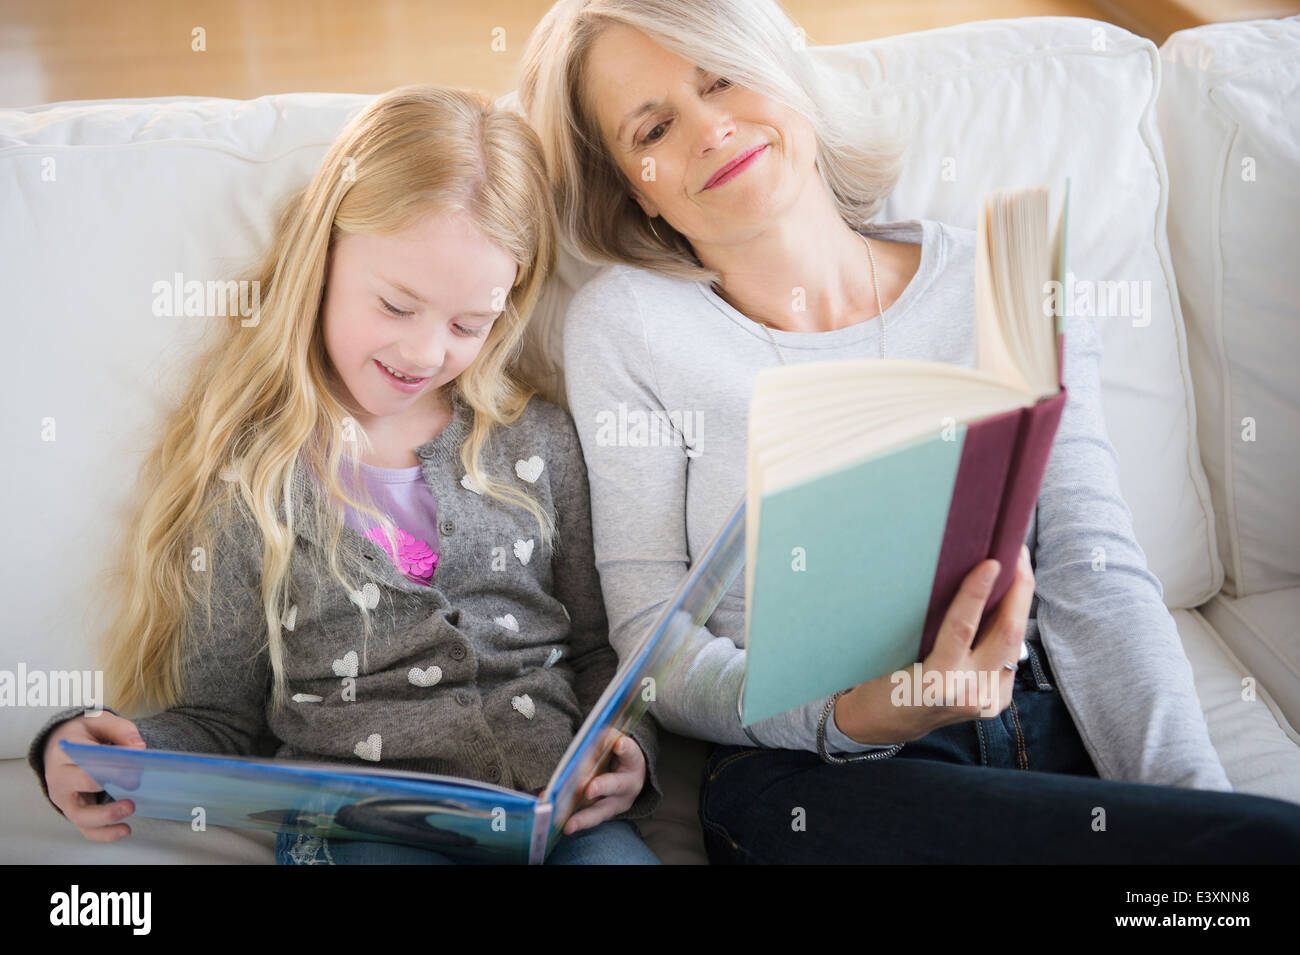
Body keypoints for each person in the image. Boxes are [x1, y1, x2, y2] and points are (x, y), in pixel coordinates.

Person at [516, 0, 1300, 862]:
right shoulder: (627, 327)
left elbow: (1097, 571)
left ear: (785, 76)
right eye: (655, 127)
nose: (710, 128)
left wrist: (1196, 812)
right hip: (816, 768)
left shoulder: (1005, 274)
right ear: (635, 187)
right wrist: (854, 716)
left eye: (723, 78)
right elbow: (652, 638)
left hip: (1041, 713)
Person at [28, 85, 661, 865]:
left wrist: (630, 749)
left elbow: (603, 655)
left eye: (469, 324)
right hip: (366, 827)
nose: (427, 353)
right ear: (322, 260)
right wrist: (100, 749)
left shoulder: (539, 441)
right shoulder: (255, 479)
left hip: (555, 812)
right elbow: (217, 720)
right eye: (397, 305)